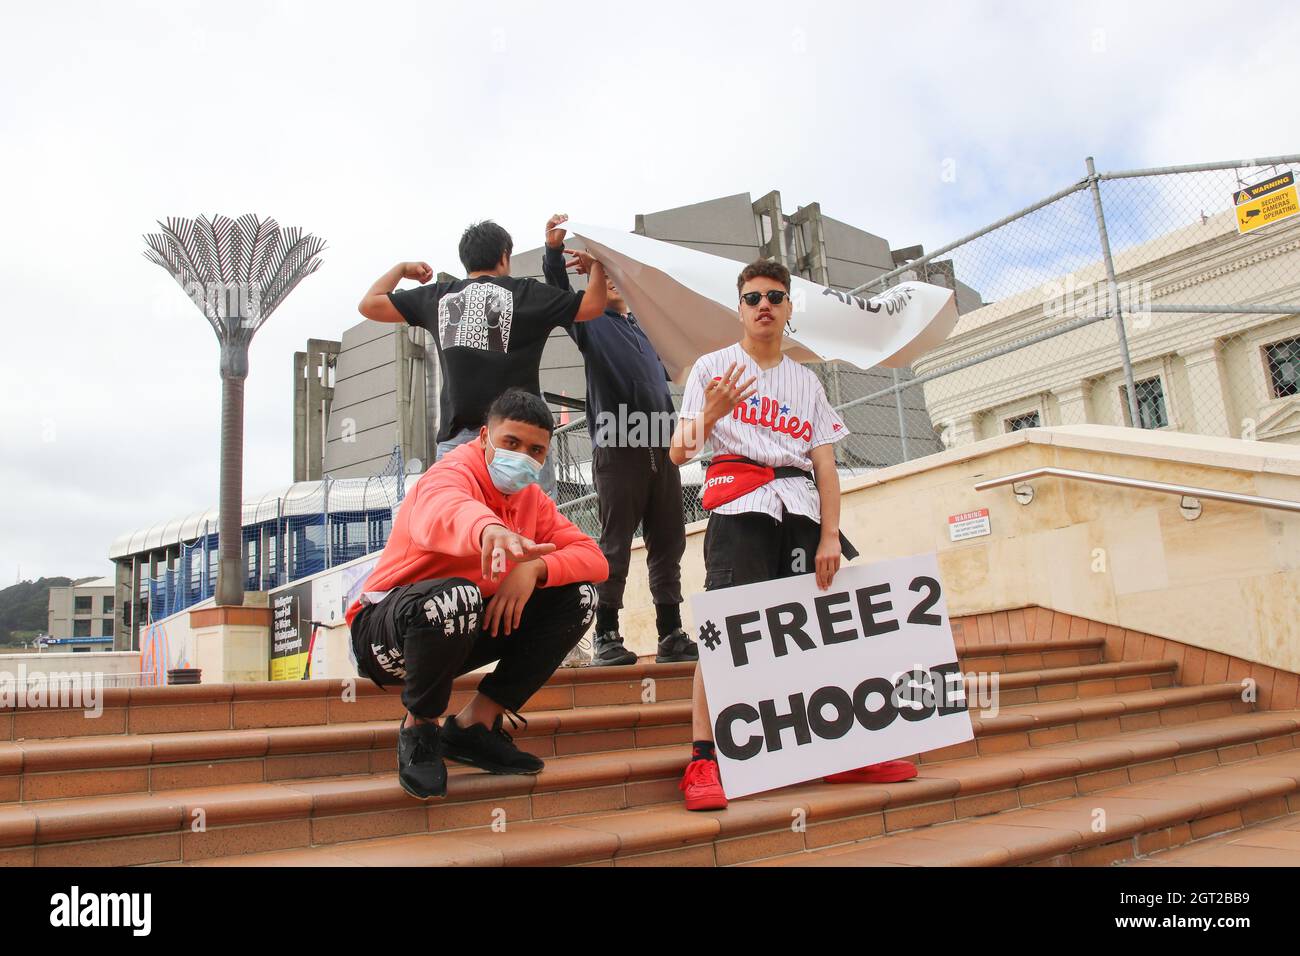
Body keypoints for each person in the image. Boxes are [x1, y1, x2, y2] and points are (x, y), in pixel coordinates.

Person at [667, 259, 919, 812]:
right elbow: (679, 451)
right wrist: (710, 413)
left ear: (787, 308)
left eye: (775, 296)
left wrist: (831, 535)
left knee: (814, 629)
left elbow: (825, 465)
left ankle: (839, 751)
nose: (764, 305)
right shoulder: (713, 367)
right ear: (738, 307)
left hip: (799, 510)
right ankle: (703, 759)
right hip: (740, 507)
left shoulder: (805, 381)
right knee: (726, 630)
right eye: (753, 296)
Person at [344, 388, 608, 800]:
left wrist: (535, 569)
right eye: (512, 443)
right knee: (458, 596)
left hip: (458, 632)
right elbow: (446, 508)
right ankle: (421, 730)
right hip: (386, 635)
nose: (523, 457)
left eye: (536, 450)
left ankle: (474, 727)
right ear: (484, 437)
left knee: (580, 597)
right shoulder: (448, 474)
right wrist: (489, 530)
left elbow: (593, 557)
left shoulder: (532, 501)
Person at [540, 213, 697, 667]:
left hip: (662, 451)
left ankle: (672, 634)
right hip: (619, 450)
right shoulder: (591, 324)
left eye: (614, 277)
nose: (609, 283)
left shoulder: (647, 334)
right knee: (614, 546)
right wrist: (554, 255)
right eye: (601, 277)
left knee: (669, 543)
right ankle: (607, 635)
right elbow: (560, 296)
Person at [358, 220, 609, 498]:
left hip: (459, 443)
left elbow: (370, 304)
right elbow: (593, 306)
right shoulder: (527, 293)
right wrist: (596, 267)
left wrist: (402, 269)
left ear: (466, 260)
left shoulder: (440, 297)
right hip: (520, 438)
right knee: (532, 528)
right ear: (504, 256)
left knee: (464, 526)